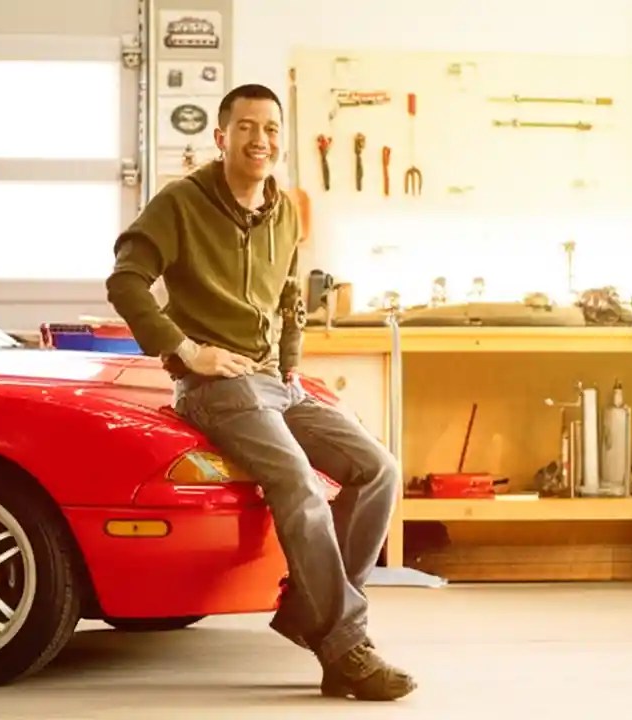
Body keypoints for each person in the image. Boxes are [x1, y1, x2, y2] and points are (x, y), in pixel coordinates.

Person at [105, 83, 416, 702]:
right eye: (246, 127)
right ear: (221, 138)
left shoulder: (286, 210)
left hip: (275, 383)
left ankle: (311, 610)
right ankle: (346, 645)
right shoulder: (180, 203)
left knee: (379, 468)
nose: (260, 139)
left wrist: (291, 368)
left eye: (271, 129)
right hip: (215, 384)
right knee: (298, 481)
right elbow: (127, 279)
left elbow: (289, 299)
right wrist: (186, 351)